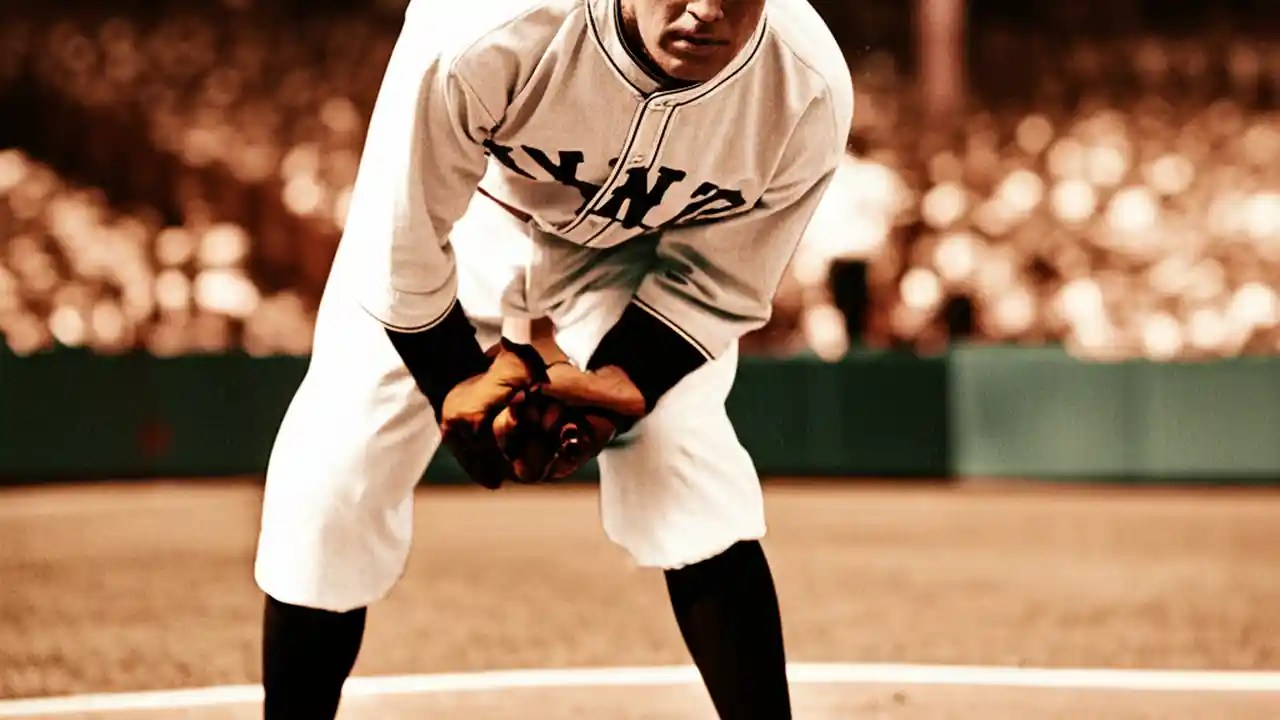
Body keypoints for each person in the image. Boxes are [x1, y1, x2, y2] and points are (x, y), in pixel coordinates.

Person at [253, 0, 853, 717]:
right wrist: (452, 379)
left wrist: (627, 381)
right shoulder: (483, 19)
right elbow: (399, 233)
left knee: (682, 456)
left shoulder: (806, 86)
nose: (706, 10)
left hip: (637, 254)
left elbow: (720, 280)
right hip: (471, 218)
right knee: (332, 479)